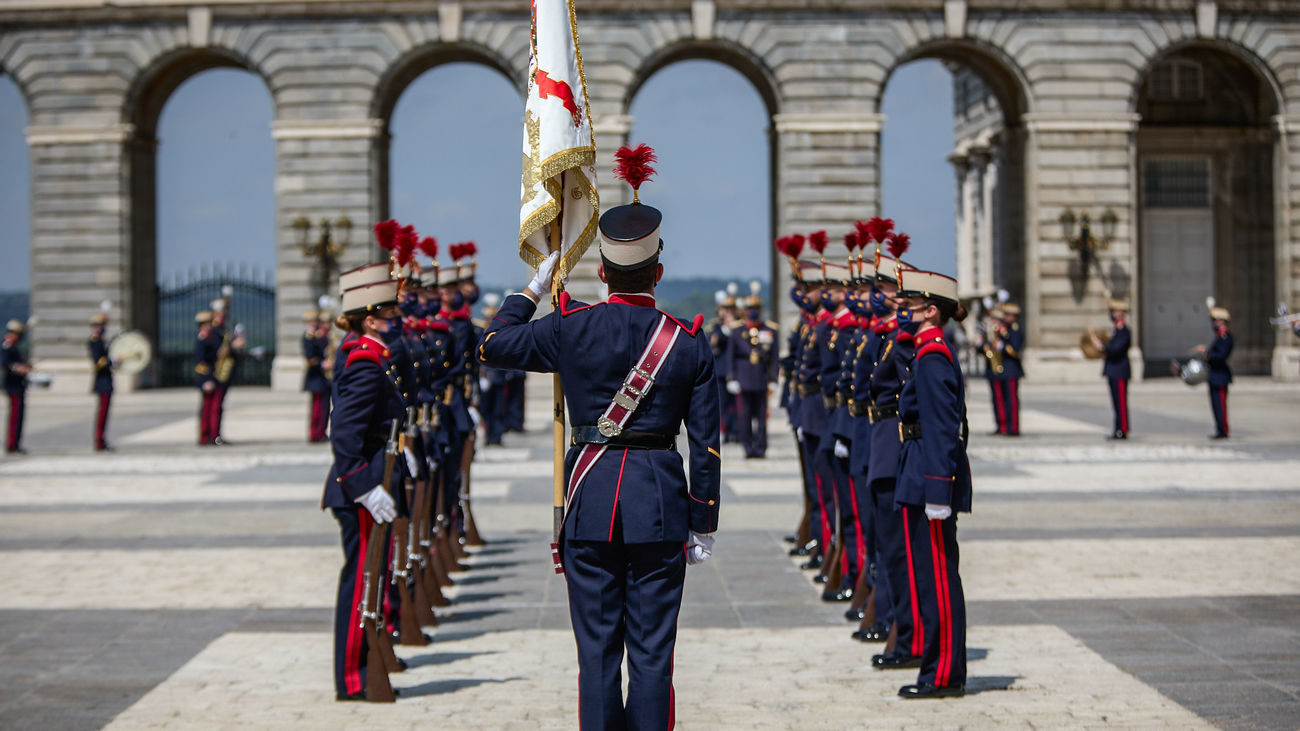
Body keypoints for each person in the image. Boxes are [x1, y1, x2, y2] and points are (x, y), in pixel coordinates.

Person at [479, 148, 720, 729]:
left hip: (589, 503)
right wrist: (704, 518)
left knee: (596, 657)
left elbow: (492, 343)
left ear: (603, 271)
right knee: (654, 657)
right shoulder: (686, 342)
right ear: (658, 271)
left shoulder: (571, 327)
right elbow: (707, 442)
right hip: (661, 506)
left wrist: (534, 286)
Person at [322, 271, 405, 702]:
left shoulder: (370, 354)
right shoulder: (364, 362)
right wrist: (363, 487)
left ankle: (361, 668)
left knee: (371, 578)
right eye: (389, 314)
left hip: (373, 481)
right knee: (361, 582)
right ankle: (353, 678)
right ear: (369, 320)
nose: (396, 320)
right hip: (362, 488)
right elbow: (345, 435)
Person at [894, 268, 972, 699]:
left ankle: (944, 673)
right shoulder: (924, 352)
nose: (901, 311)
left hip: (930, 475)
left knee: (938, 578)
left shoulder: (933, 355)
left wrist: (940, 490)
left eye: (909, 306)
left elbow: (945, 428)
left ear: (930, 310)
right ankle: (935, 666)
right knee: (926, 575)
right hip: (917, 469)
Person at [726, 283, 778, 458]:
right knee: (745, 416)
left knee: (762, 418)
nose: (753, 311)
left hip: (761, 377)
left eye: (756, 307)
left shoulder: (769, 330)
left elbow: (774, 358)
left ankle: (761, 447)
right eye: (750, 308)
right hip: (744, 376)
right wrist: (731, 377)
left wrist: (774, 379)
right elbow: (731, 355)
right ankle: (748, 447)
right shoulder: (737, 331)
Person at [1093, 299, 1131, 439]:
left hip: (1120, 371)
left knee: (1120, 402)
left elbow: (1116, 349)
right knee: (1115, 402)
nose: (1111, 314)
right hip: (1114, 371)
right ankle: (1118, 428)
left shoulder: (1124, 331)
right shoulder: (1117, 330)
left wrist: (1102, 346)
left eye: (1113, 311)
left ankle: (1122, 429)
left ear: (1120, 313)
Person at [1197, 306, 1233, 439]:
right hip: (1214, 376)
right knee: (1215, 405)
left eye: (1215, 320)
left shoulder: (1225, 337)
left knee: (1221, 406)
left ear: (1221, 321)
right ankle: (1219, 429)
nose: (1213, 323)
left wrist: (1207, 353)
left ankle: (1223, 430)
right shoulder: (1219, 337)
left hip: (1220, 376)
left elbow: (1222, 355)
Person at [994, 303, 1024, 436]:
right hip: (1000, 370)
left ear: (1013, 316)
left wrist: (1002, 346)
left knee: (1012, 401)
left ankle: (1014, 428)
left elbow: (1015, 349)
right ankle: (1003, 427)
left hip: (1012, 370)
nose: (1005, 317)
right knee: (1000, 400)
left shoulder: (1016, 331)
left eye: (1008, 315)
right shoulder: (1002, 330)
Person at [2, 319, 31, 454]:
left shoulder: (13, 346)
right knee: (14, 416)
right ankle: (12, 444)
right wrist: (19, 368)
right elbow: (6, 364)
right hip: (13, 386)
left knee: (19, 416)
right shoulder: (7, 346)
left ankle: (16, 443)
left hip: (19, 386)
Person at [302, 309, 331, 443]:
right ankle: (315, 433)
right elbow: (310, 358)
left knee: (323, 407)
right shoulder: (308, 337)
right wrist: (322, 365)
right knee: (317, 408)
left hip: (322, 378)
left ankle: (321, 432)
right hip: (315, 377)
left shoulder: (317, 336)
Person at [88, 312, 114, 451]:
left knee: (105, 413)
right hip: (102, 382)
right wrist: (114, 360)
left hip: (106, 381)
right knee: (102, 413)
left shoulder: (99, 341)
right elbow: (99, 363)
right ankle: (99, 440)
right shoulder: (95, 342)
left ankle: (101, 439)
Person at [194, 310, 219, 445]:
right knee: (206, 408)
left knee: (213, 408)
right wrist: (207, 380)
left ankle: (212, 435)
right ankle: (204, 437)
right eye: (207, 323)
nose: (210, 325)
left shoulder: (212, 337)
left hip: (213, 376)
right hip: (206, 379)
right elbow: (200, 362)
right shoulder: (202, 338)